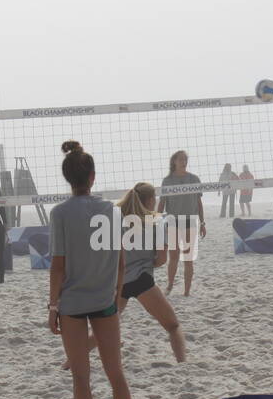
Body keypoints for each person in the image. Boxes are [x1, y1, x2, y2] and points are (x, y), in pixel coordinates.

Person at [48, 141, 132, 399]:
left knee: (81, 378)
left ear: (67, 178)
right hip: (104, 300)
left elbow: (58, 267)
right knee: (116, 374)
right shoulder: (112, 210)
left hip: (72, 303)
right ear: (93, 177)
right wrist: (116, 293)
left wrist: (52, 306)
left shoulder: (60, 213)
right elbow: (121, 261)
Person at [77, 182, 186, 367]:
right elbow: (161, 261)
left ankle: (69, 363)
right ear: (151, 200)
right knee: (173, 326)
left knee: (102, 331)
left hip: (118, 282)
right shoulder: (157, 223)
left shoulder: (115, 221)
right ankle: (183, 364)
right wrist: (145, 260)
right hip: (141, 279)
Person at [157, 150, 205, 296]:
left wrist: (203, 222)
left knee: (188, 257)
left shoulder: (194, 179)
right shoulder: (167, 181)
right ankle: (170, 285)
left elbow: (198, 202)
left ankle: (186, 291)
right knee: (174, 257)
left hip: (190, 221)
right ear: (174, 162)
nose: (184, 162)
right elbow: (162, 202)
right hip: (173, 221)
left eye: (185, 159)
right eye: (181, 159)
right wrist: (157, 222)